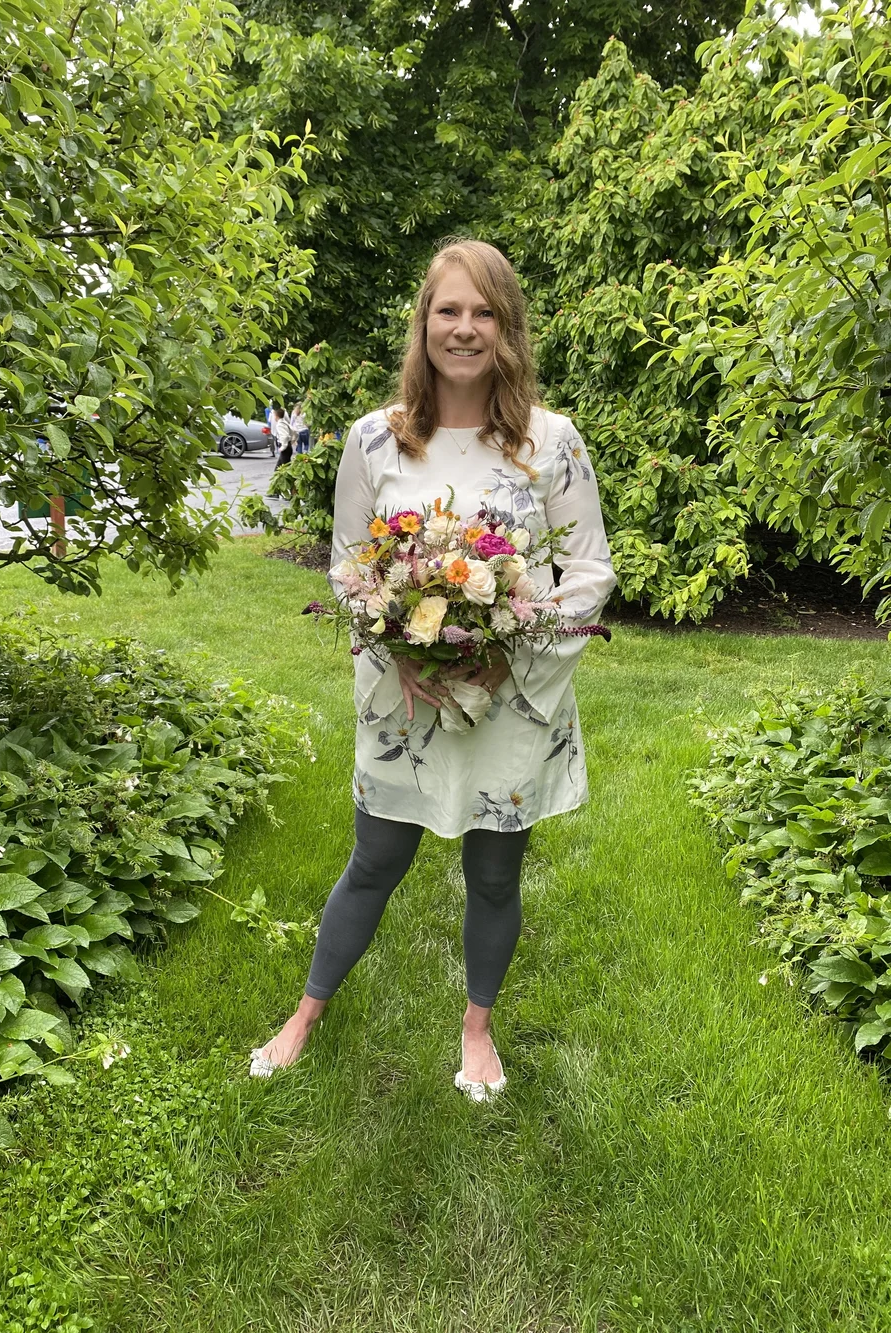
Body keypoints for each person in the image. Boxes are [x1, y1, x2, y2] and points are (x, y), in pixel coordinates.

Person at [250, 238, 617, 1100]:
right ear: (423, 324)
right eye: (448, 310)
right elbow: (349, 566)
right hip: (404, 698)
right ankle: (305, 1011)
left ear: (508, 327)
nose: (464, 328)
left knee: (494, 872)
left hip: (509, 696)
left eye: (484, 312)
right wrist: (400, 651)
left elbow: (591, 571)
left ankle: (477, 1027)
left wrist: (509, 651)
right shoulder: (375, 439)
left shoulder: (551, 442)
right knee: (375, 858)